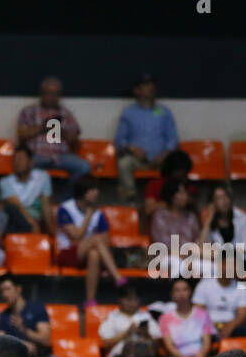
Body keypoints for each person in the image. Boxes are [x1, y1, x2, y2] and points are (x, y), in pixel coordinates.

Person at [16, 76, 89, 195]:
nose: (51, 97)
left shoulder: (65, 113)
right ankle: (31, 199)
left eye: (55, 94)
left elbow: (75, 139)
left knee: (84, 167)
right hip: (36, 155)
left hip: (61, 156)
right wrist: (43, 127)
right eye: (48, 93)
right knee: (23, 164)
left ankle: (66, 200)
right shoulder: (29, 111)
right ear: (41, 94)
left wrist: (60, 130)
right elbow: (21, 134)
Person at [114, 74, 179, 202]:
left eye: (152, 84)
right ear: (137, 90)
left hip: (162, 161)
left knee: (178, 163)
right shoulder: (129, 113)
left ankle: (171, 201)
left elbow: (173, 139)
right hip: (138, 160)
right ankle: (130, 198)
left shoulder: (164, 112)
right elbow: (119, 141)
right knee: (124, 163)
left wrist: (164, 155)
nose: (151, 87)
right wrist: (132, 149)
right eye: (146, 85)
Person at [55, 174, 117, 304]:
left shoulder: (98, 214)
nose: (97, 193)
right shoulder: (65, 209)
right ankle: (117, 277)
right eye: (93, 190)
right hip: (67, 253)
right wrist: (88, 216)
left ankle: (90, 300)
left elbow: (106, 241)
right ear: (83, 192)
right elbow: (76, 236)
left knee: (94, 254)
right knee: (95, 240)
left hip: (86, 254)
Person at [160, 277, 213, 357]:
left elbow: (207, 342)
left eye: (184, 289)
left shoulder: (202, 314)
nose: (181, 294)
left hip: (201, 356)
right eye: (177, 290)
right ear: (172, 295)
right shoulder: (165, 318)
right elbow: (170, 347)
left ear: (190, 292)